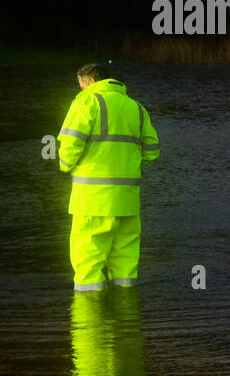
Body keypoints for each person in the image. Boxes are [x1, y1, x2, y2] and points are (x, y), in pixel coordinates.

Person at [57, 64, 160, 291]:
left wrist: (66, 166)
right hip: (127, 201)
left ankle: (89, 320)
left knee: (88, 263)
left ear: (91, 82)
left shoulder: (86, 102)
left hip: (92, 201)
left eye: (81, 85)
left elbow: (69, 148)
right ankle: (127, 315)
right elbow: (152, 151)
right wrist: (128, 167)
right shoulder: (136, 107)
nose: (81, 89)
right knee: (125, 266)